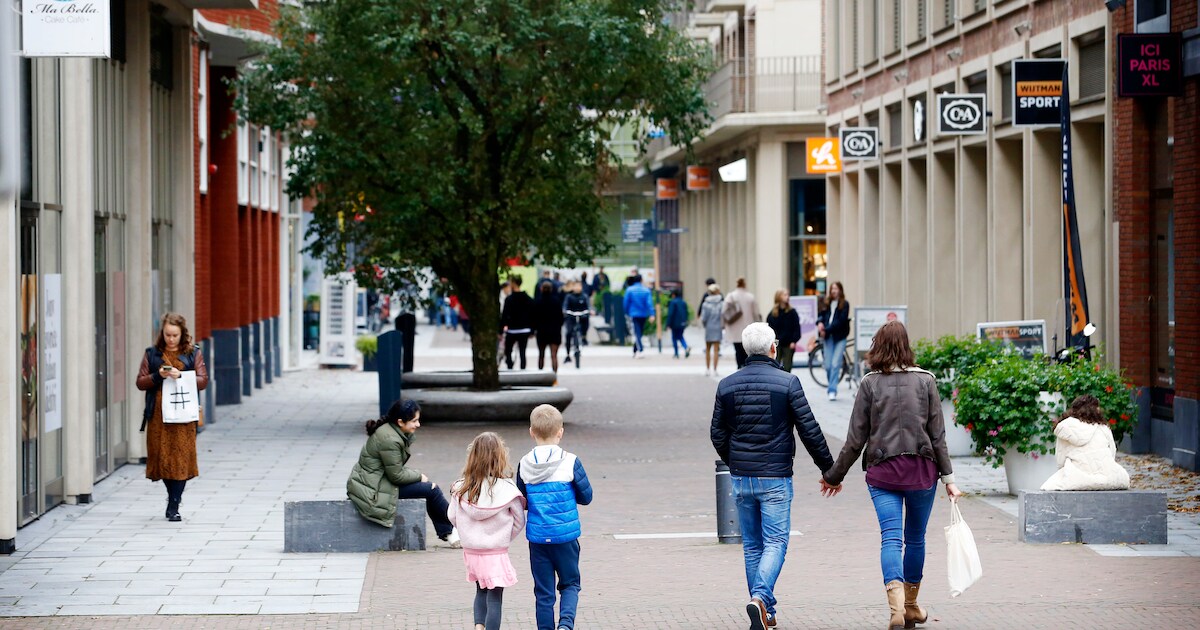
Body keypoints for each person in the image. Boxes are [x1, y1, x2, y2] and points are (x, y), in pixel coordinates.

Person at [820, 321, 962, 630]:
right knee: (915, 539)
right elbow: (938, 436)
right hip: (922, 472)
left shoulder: (870, 383)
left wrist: (834, 476)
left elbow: (856, 439)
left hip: (883, 473)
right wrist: (949, 480)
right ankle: (911, 605)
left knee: (891, 538)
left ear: (877, 347)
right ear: (907, 346)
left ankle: (896, 606)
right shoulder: (926, 381)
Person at [710, 322, 835, 630]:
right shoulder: (787, 382)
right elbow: (809, 429)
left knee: (752, 544)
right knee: (776, 541)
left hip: (741, 477)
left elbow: (716, 432)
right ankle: (761, 599)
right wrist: (829, 470)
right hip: (775, 476)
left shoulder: (727, 384)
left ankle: (767, 612)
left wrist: (734, 459)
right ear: (773, 348)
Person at [516, 404, 594, 630]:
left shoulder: (524, 464)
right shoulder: (571, 461)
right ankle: (566, 625)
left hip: (538, 538)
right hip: (565, 537)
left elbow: (523, 500)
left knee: (543, 593)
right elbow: (586, 496)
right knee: (570, 584)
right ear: (560, 431)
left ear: (532, 432)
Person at [346, 398, 461, 547]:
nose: (418, 425)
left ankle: (451, 532)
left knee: (430, 489)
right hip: (373, 490)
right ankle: (459, 529)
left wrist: (417, 476)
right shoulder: (390, 440)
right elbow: (396, 475)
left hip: (376, 482)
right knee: (432, 489)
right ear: (400, 422)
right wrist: (419, 476)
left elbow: (392, 469)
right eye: (414, 421)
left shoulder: (391, 432)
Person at [449, 432, 528, 630]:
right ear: (500, 457)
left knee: (480, 591)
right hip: (496, 552)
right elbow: (520, 519)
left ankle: (478, 627)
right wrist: (503, 536)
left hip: (472, 552)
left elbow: (452, 515)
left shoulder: (461, 487)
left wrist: (468, 532)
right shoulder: (507, 489)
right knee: (495, 598)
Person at [136, 313, 208, 522]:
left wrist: (183, 376)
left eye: (175, 335)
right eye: (168, 335)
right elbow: (141, 382)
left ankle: (174, 504)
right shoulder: (152, 354)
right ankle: (172, 496)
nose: (171, 339)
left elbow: (203, 381)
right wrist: (159, 375)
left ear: (182, 334)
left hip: (184, 417)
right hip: (158, 417)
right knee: (162, 458)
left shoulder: (193, 354)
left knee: (181, 459)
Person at [1040, 395, 1131, 491]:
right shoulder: (1103, 427)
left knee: (1050, 485)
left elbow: (1060, 460)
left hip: (1078, 477)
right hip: (1109, 477)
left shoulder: (1065, 427)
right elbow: (1112, 453)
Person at [816, 281, 852, 400]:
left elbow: (840, 321)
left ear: (840, 290)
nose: (833, 291)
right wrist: (820, 323)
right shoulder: (827, 303)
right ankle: (832, 384)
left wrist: (826, 329)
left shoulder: (845, 304)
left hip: (839, 337)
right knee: (827, 365)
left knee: (836, 363)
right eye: (832, 289)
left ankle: (832, 390)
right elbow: (820, 315)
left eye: (836, 289)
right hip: (828, 338)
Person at [724, 277, 761, 369]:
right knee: (747, 350)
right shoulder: (750, 297)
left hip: (734, 327)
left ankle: (739, 366)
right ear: (745, 284)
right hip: (748, 327)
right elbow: (756, 313)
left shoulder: (731, 296)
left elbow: (724, 311)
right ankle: (746, 366)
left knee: (737, 349)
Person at [501, 276, 534, 370]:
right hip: (524, 329)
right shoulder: (528, 299)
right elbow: (532, 315)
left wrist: (501, 329)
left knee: (508, 351)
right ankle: (522, 369)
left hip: (512, 329)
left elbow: (504, 315)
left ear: (513, 283)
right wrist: (532, 330)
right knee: (522, 352)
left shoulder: (509, 299)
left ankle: (510, 367)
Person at [766, 289, 801, 372]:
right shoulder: (772, 314)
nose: (787, 297)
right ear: (779, 297)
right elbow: (769, 328)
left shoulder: (792, 312)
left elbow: (796, 328)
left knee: (787, 367)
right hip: (776, 343)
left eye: (788, 295)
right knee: (775, 365)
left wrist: (794, 341)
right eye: (785, 295)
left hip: (788, 344)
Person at [533, 282, 564, 372]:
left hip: (542, 331)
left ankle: (540, 375)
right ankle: (554, 377)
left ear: (541, 289)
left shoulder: (537, 301)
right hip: (554, 331)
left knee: (541, 355)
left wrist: (534, 329)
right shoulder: (556, 301)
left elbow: (534, 317)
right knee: (554, 355)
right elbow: (561, 318)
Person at [622, 275, 654, 359]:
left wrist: (626, 312)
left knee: (637, 333)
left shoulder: (629, 290)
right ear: (641, 280)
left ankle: (640, 350)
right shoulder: (646, 290)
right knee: (639, 332)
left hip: (633, 314)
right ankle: (635, 350)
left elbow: (626, 303)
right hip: (643, 314)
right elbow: (649, 303)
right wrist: (652, 314)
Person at [699, 284, 725, 376]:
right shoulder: (721, 303)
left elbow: (703, 318)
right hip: (718, 328)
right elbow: (723, 316)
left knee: (708, 349)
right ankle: (715, 369)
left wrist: (705, 325)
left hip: (709, 328)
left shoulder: (705, 304)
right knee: (716, 350)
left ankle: (707, 369)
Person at [562, 281, 591, 363]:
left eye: (579, 286)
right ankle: (567, 354)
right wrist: (565, 311)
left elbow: (588, 306)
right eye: (576, 286)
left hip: (582, 317)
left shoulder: (584, 296)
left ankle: (584, 338)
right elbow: (565, 305)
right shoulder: (569, 297)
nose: (577, 288)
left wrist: (588, 311)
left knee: (585, 325)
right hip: (571, 317)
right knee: (568, 333)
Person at [666, 288, 691, 359]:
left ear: (673, 295)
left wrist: (668, 324)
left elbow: (670, 314)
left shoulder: (673, 302)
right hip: (682, 323)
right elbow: (686, 313)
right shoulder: (683, 302)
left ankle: (676, 353)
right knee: (680, 336)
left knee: (674, 338)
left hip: (674, 323)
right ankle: (686, 347)